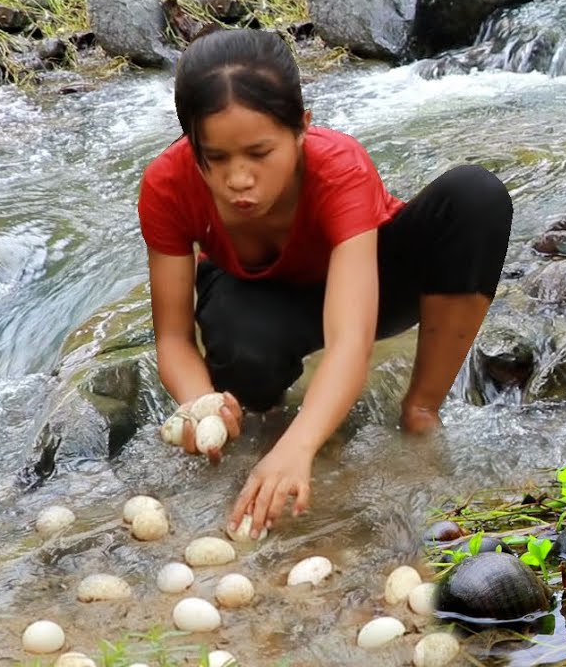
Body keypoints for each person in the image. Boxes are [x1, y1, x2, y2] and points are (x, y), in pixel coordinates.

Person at [137, 28, 513, 538]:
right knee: (242, 358)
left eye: (259, 152)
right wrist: (201, 404)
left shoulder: (338, 166)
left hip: (370, 287)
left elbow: (350, 342)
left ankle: (421, 410)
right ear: (192, 144)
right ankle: (258, 411)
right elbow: (174, 338)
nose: (239, 178)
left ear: (302, 129)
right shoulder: (168, 185)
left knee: (475, 195)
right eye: (217, 158)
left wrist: (300, 446)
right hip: (264, 304)